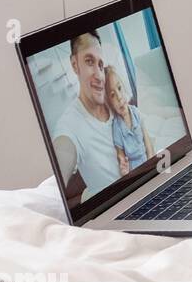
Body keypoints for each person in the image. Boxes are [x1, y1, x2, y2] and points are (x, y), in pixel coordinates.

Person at [51, 31, 121, 201]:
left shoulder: (114, 101)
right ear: (75, 65)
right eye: (89, 61)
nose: (99, 75)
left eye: (100, 65)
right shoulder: (69, 126)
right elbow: (63, 151)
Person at [105, 65, 154, 176]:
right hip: (135, 172)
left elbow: (147, 143)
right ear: (109, 103)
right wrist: (124, 170)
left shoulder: (136, 112)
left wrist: (151, 163)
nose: (119, 97)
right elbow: (120, 156)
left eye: (119, 88)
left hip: (148, 162)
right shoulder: (116, 127)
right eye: (112, 95)